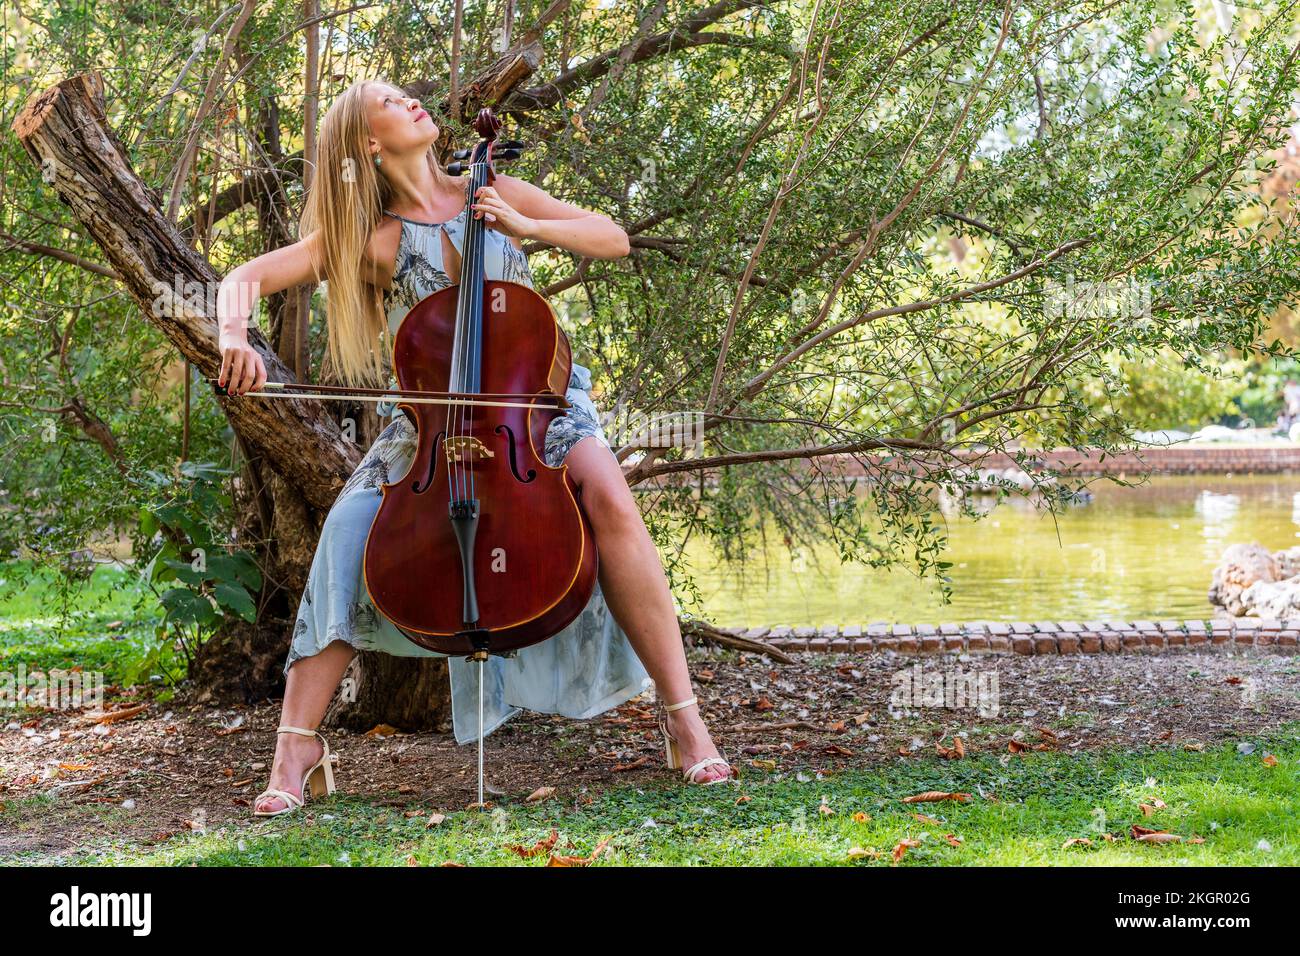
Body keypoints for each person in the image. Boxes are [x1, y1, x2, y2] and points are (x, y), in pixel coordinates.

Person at [215, 79, 733, 816]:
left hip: (537, 406)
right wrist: (235, 335)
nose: (413, 103)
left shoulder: (495, 189)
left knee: (609, 494)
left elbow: (611, 237)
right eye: (390, 104)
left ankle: (684, 719)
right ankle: (297, 745)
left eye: (407, 96)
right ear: (368, 142)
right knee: (344, 536)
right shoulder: (371, 238)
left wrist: (524, 221)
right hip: (427, 429)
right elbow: (246, 277)